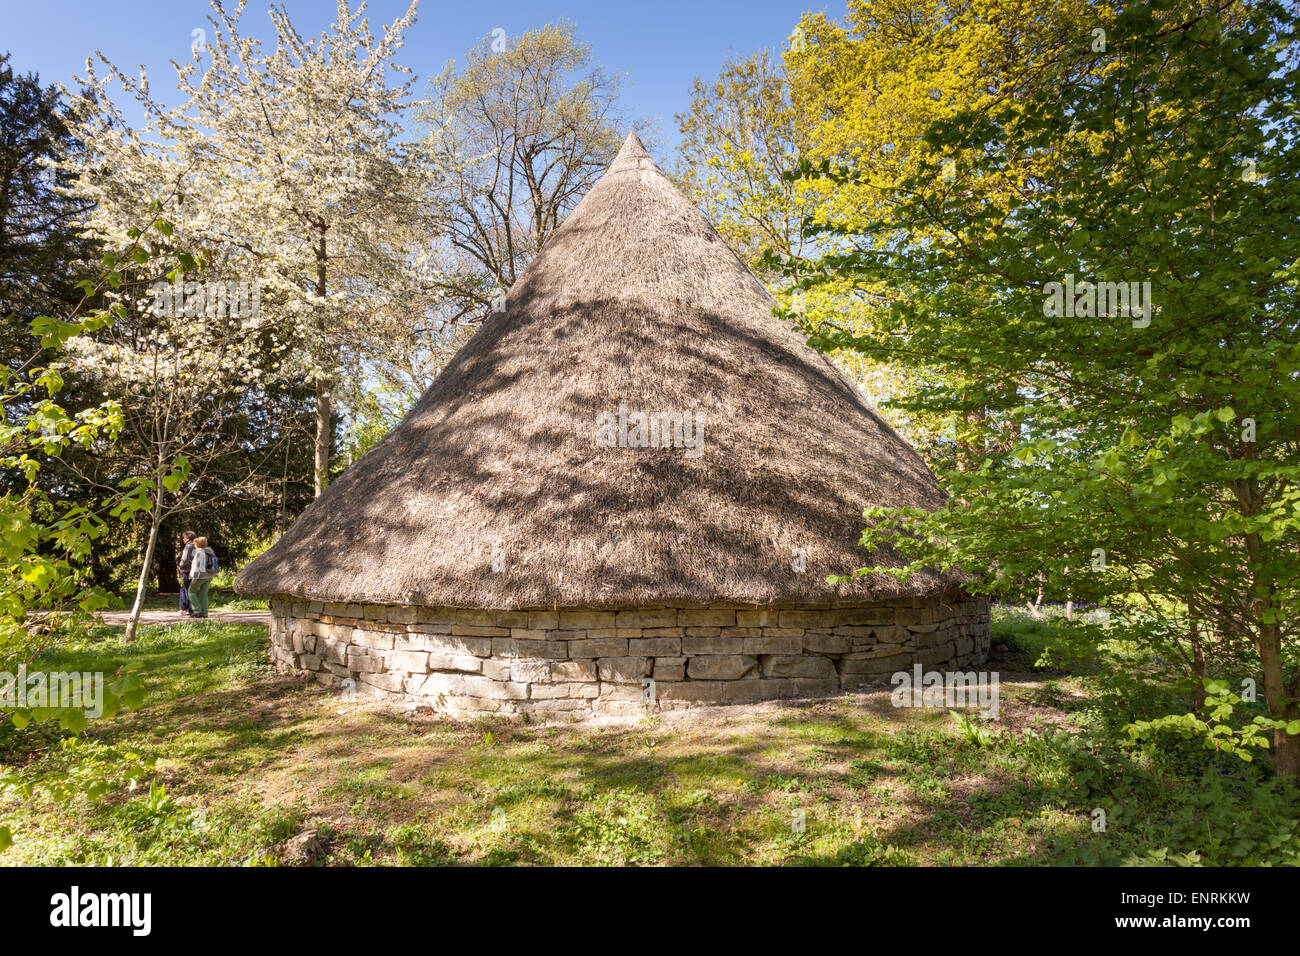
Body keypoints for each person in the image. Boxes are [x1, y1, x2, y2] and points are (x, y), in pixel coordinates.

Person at [188, 536, 218, 619]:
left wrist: (194, 577)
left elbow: (197, 566)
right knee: (203, 594)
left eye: (195, 544)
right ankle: (205, 613)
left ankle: (197, 611)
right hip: (209, 575)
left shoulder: (199, 553)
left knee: (191, 592)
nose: (194, 545)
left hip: (200, 575)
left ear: (197, 544)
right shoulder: (209, 552)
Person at [178, 531, 197, 616]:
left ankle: (190, 609)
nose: (183, 539)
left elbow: (185, 559)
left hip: (187, 570)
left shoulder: (188, 547)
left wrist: (180, 565)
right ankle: (184, 608)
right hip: (195, 570)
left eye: (184, 538)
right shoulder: (197, 546)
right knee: (185, 589)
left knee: (187, 589)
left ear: (188, 539)